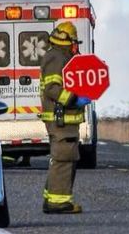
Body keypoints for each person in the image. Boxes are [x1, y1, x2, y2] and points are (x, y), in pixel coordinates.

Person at [39, 21, 89, 214]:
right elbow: (52, 88)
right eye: (74, 42)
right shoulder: (56, 57)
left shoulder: (62, 56)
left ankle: (52, 197)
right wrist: (74, 98)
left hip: (65, 120)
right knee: (64, 158)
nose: (76, 46)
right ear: (67, 41)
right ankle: (58, 202)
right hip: (60, 120)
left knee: (64, 158)